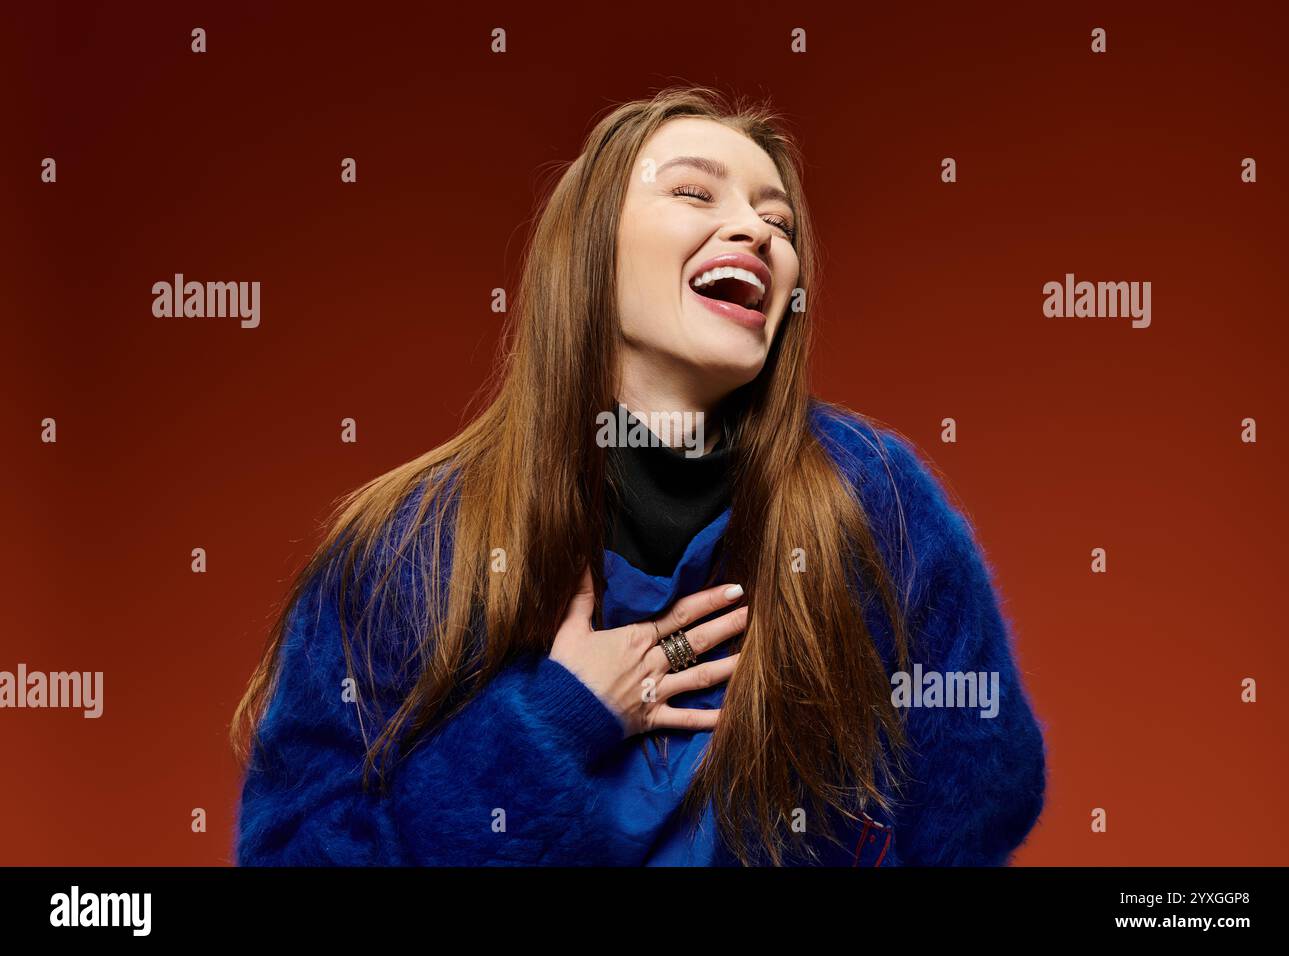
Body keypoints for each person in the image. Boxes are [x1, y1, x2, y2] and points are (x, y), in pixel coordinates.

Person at [230, 86, 1047, 867]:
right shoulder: (407, 545)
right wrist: (555, 724)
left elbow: (983, 798)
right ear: (590, 250)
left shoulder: (877, 500)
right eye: (696, 194)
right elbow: (298, 850)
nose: (757, 233)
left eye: (778, 221)